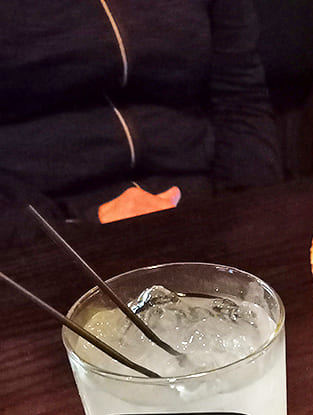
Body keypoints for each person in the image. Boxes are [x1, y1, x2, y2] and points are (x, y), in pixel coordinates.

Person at [0, 0, 283, 245]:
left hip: (201, 201)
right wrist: (74, 228)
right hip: (54, 228)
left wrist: (246, 211)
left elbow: (239, 94)